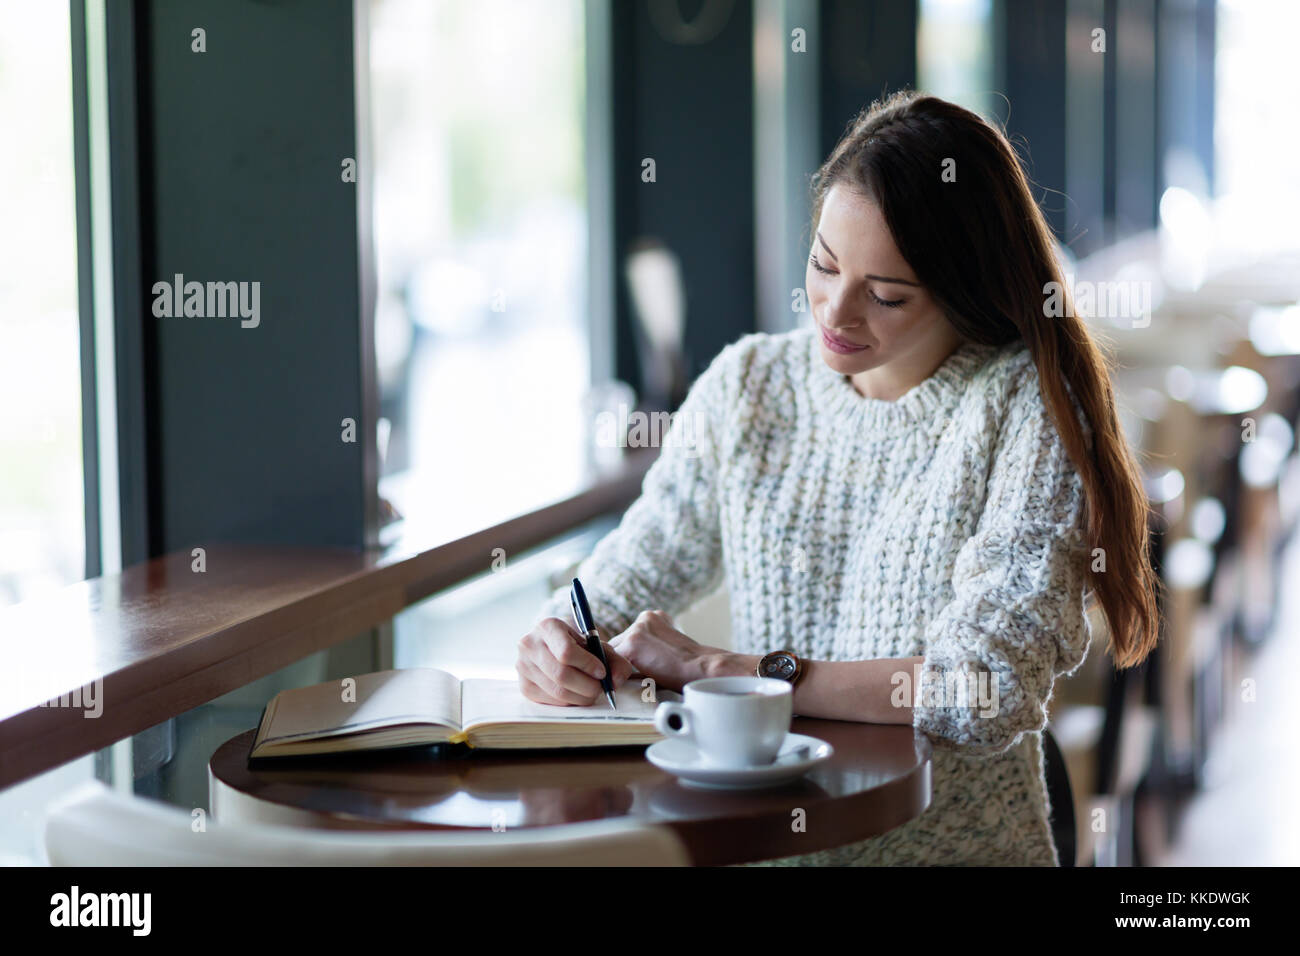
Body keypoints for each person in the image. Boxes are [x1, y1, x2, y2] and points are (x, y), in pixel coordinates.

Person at [515, 89, 1159, 865]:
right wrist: (560, 642)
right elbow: (623, 579)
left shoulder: (1024, 405)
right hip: (759, 849)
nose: (835, 312)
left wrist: (734, 673)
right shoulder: (750, 384)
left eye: (886, 295)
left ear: (963, 291)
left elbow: (985, 688)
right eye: (824, 264)